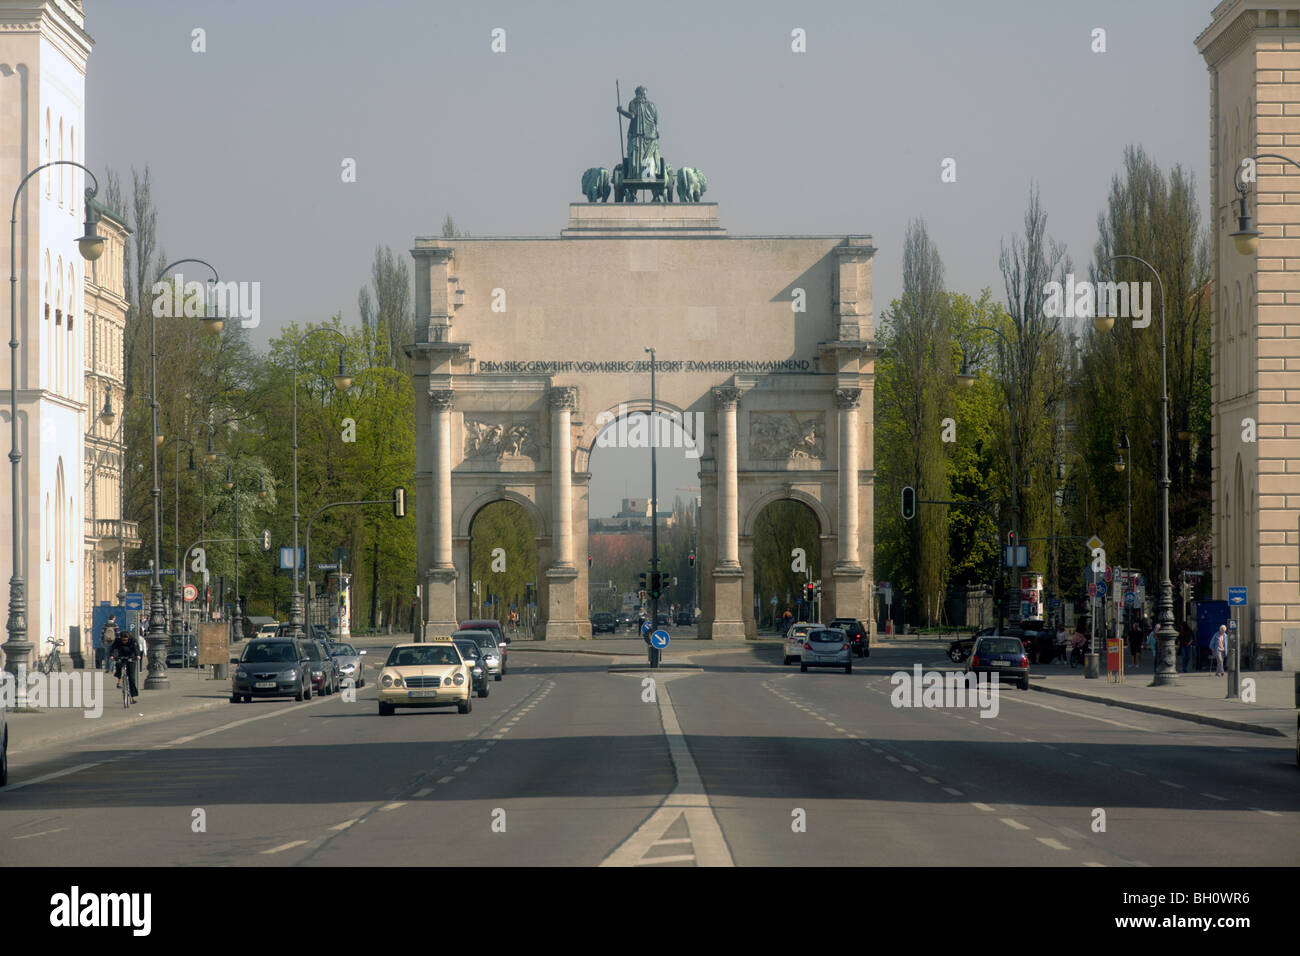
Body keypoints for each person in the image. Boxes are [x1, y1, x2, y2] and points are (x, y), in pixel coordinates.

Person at [111, 627, 140, 704]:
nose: (124, 641)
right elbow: (113, 649)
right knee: (118, 664)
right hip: (122, 656)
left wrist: (137, 655)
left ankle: (133, 697)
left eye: (126, 640)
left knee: (131, 678)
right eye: (123, 640)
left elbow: (136, 649)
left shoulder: (133, 640)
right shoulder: (117, 641)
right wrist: (112, 656)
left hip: (131, 657)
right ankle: (119, 677)